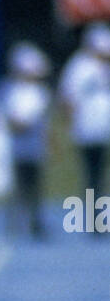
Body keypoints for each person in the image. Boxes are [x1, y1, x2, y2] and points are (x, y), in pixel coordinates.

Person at [0, 43, 52, 239]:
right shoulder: (8, 89)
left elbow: (35, 118)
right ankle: (13, 225)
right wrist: (16, 124)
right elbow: (5, 114)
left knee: (35, 187)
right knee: (16, 187)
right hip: (15, 147)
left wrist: (21, 125)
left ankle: (36, 223)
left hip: (34, 146)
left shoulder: (40, 92)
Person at [58, 22, 110, 202]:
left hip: (104, 129)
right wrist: (70, 124)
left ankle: (99, 217)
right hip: (87, 129)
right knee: (92, 175)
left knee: (102, 176)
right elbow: (68, 97)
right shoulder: (79, 66)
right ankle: (93, 219)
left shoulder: (105, 67)